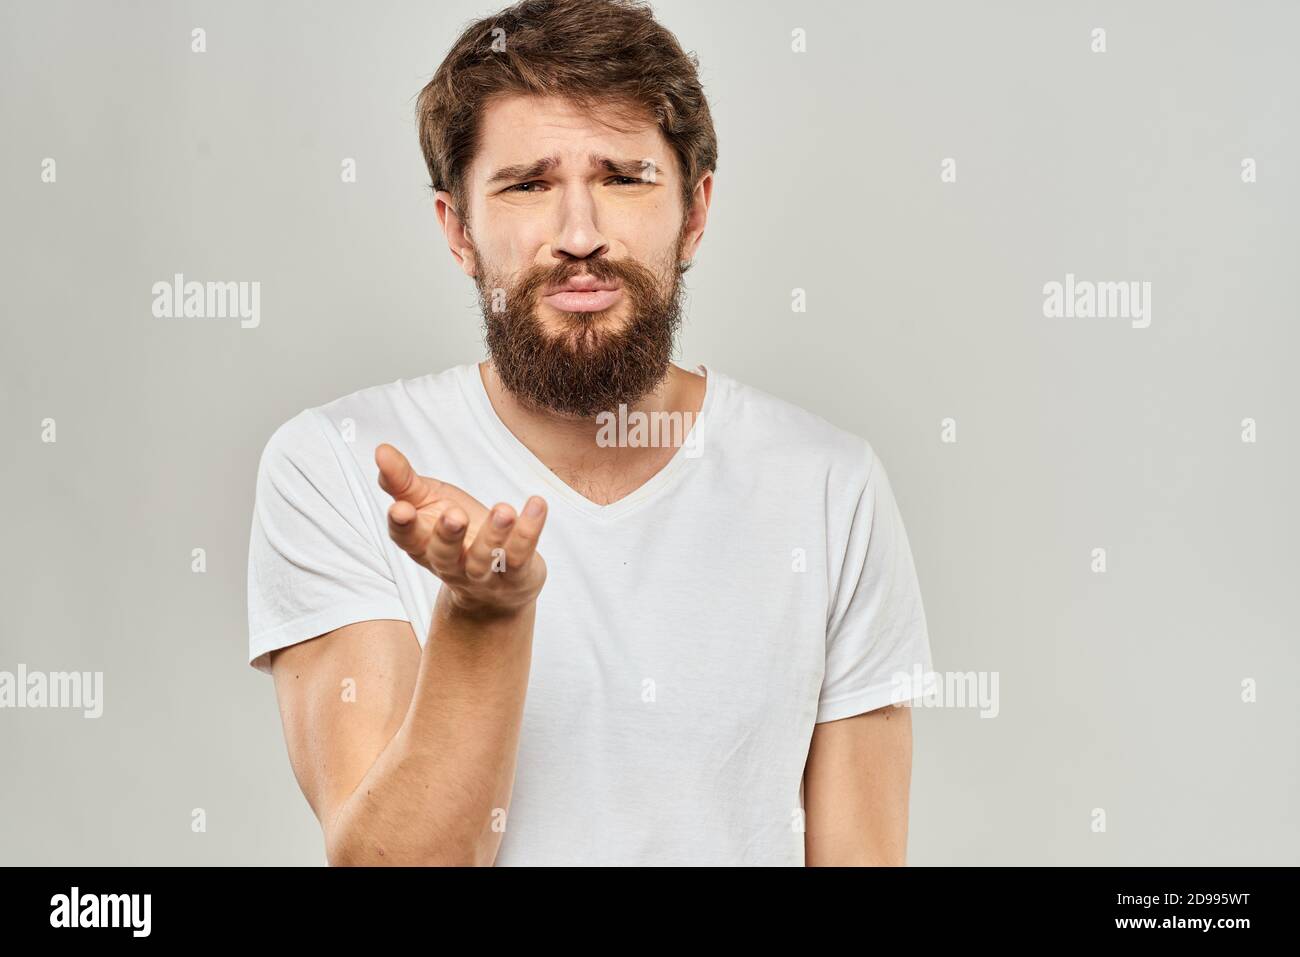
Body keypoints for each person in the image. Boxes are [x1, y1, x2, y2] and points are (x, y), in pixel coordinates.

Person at [246, 0, 934, 866]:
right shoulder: (340, 466)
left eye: (624, 177)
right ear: (457, 229)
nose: (580, 236)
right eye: (527, 184)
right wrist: (483, 615)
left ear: (694, 212)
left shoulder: (831, 487)